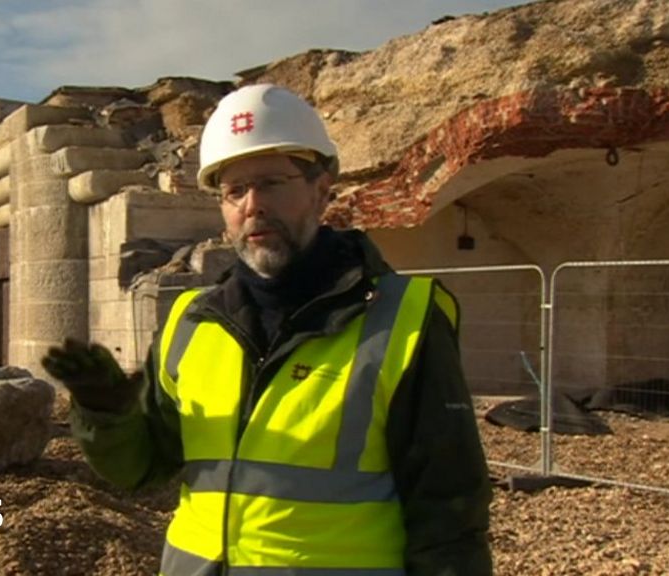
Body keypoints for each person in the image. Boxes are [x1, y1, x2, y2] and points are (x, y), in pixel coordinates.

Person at [43, 84, 493, 575]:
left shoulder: (403, 320)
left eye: (273, 182)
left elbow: (450, 513)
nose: (252, 205)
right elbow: (141, 470)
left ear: (322, 191)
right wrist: (107, 412)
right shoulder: (191, 323)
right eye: (234, 190)